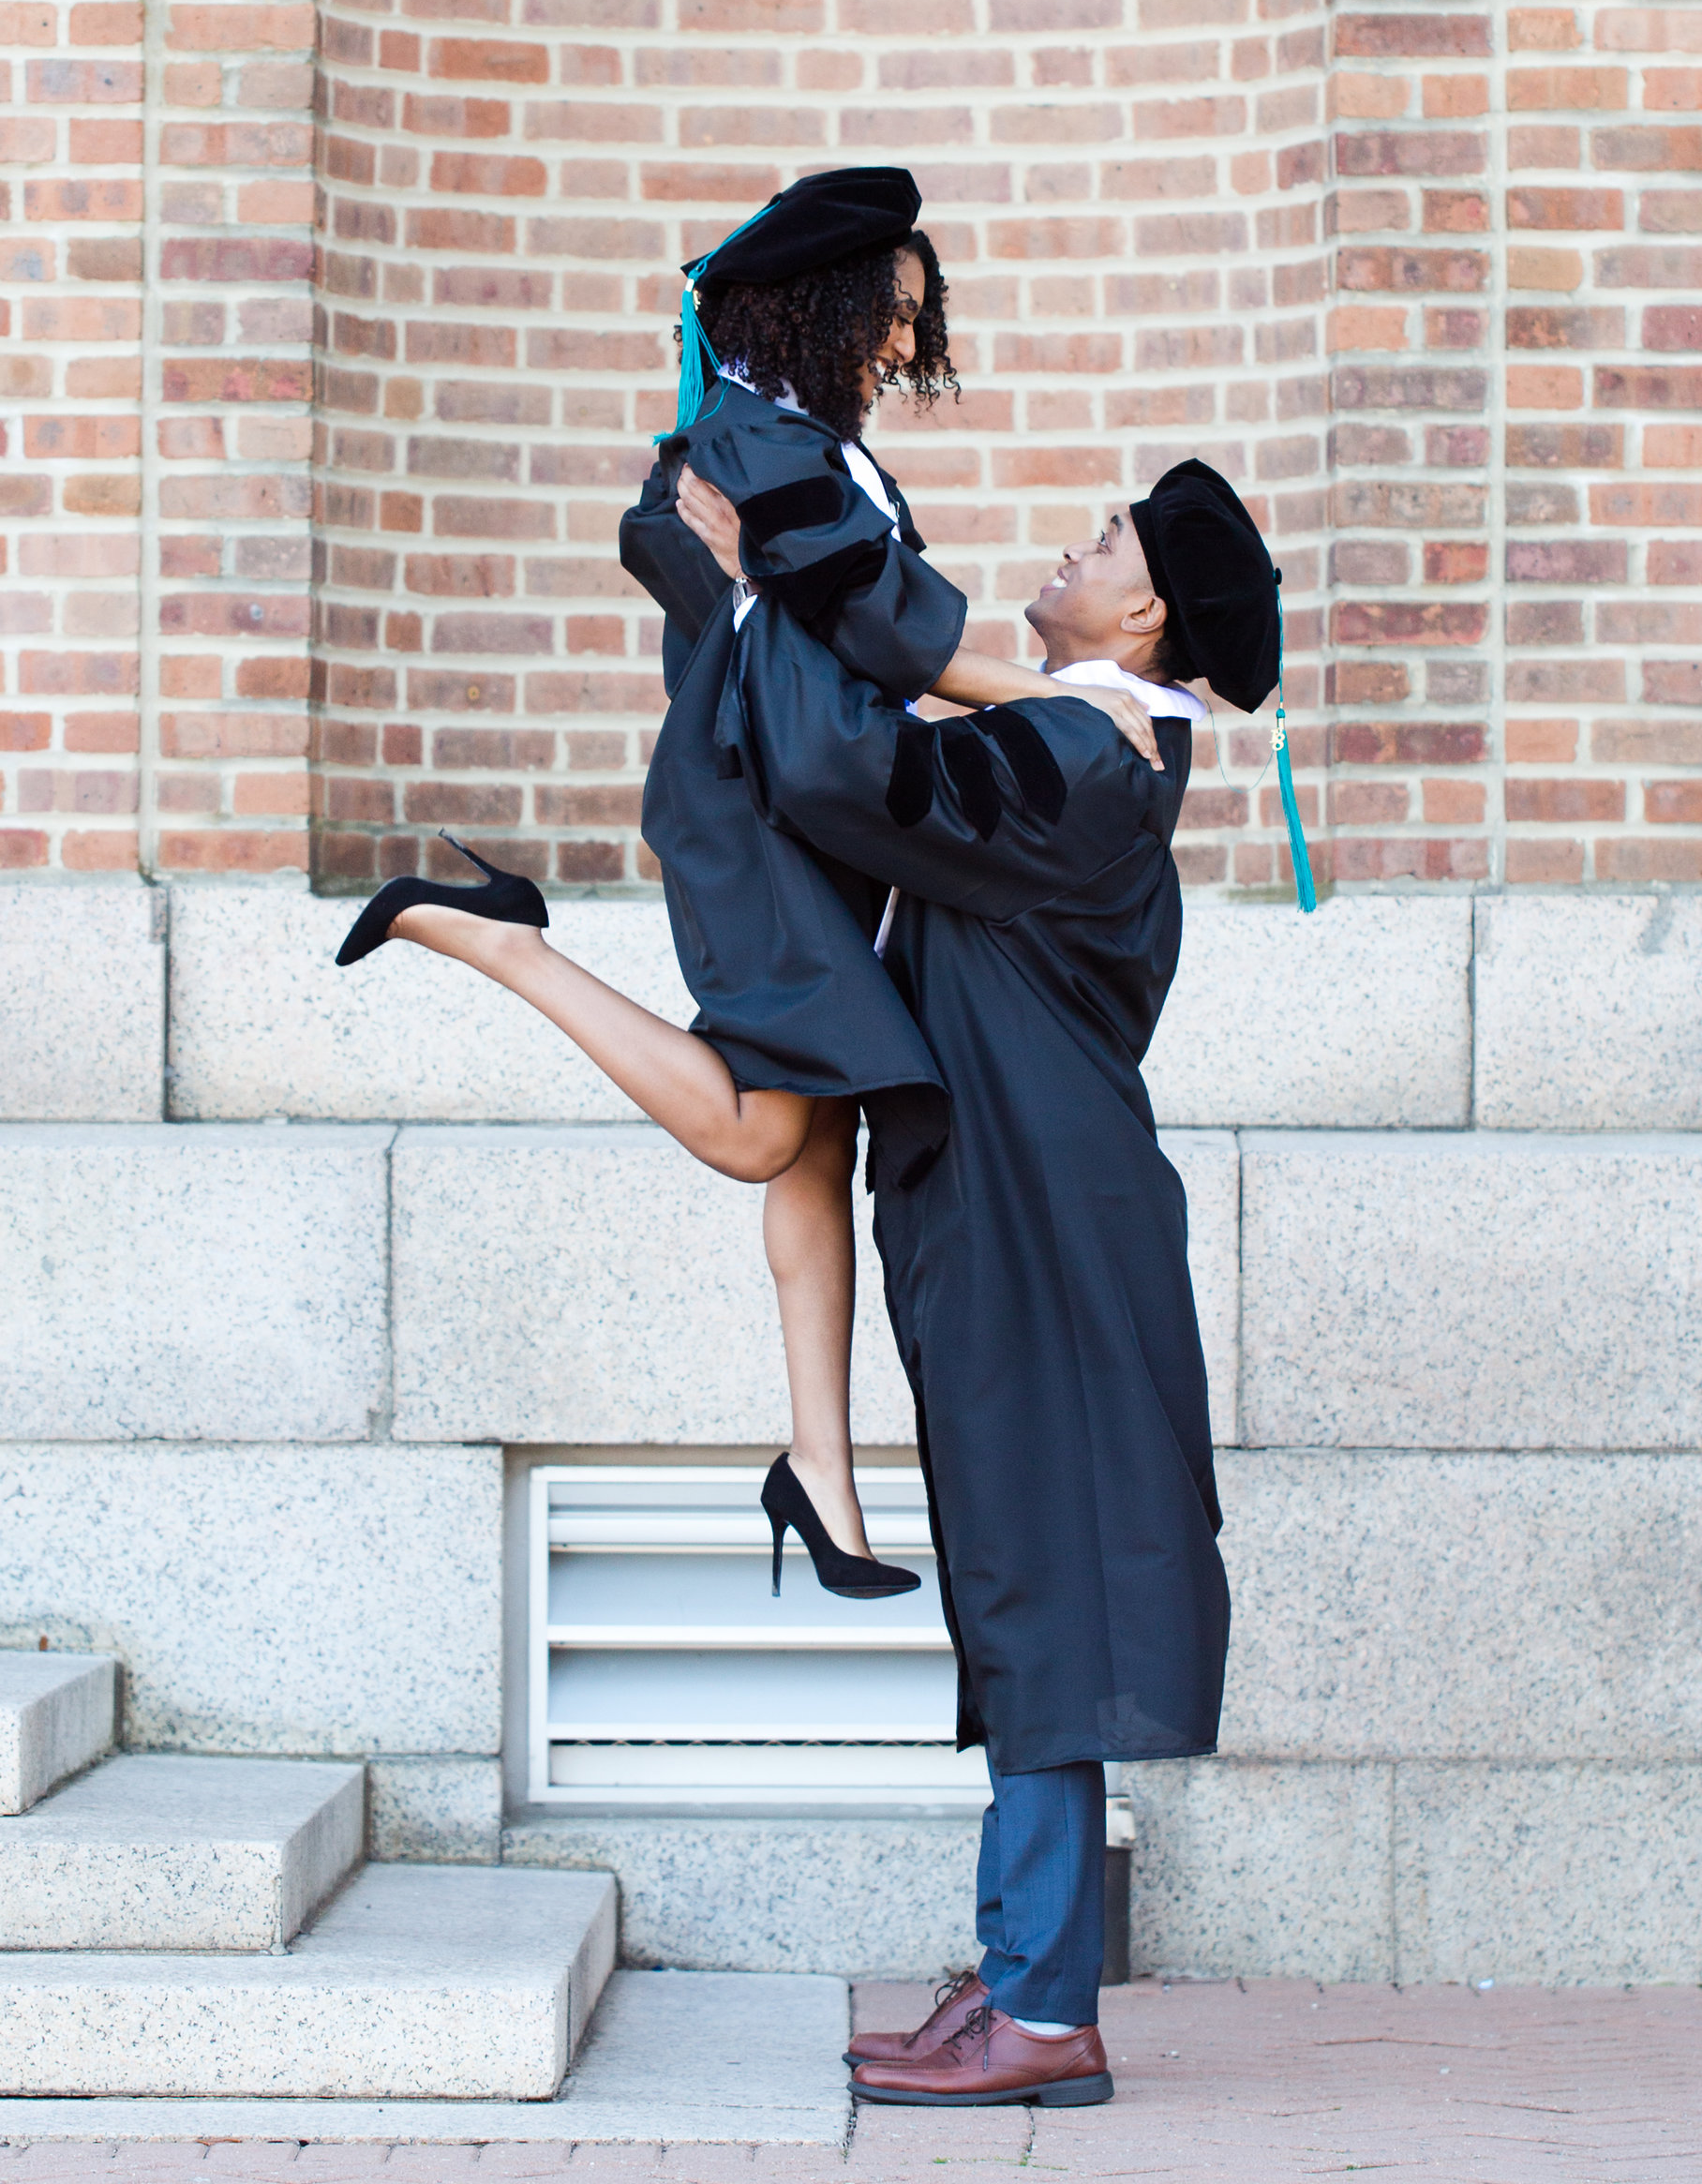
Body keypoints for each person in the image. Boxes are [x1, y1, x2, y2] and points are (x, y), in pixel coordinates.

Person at [335, 448, 1289, 2113]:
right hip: (1011, 1210)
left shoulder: (1086, 760)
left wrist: (754, 575)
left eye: (1097, 543)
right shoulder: (1073, 738)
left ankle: (1047, 2003)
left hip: (1046, 1231)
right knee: (1017, 1580)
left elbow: (855, 775)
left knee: (1047, 1593)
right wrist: (733, 591)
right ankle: (1018, 1971)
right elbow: (861, 742)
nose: (1061, 553)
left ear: (1142, 615)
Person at [343, 164, 1158, 1596]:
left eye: (917, 319)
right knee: (758, 1133)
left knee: (816, 1128)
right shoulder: (753, 444)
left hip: (815, 827)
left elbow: (861, 640)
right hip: (756, 817)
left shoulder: (817, 453)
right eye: (892, 315)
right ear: (822, 303)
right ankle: (496, 939)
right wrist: (1066, 701)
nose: (908, 346)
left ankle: (823, 1477)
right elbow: (893, 638)